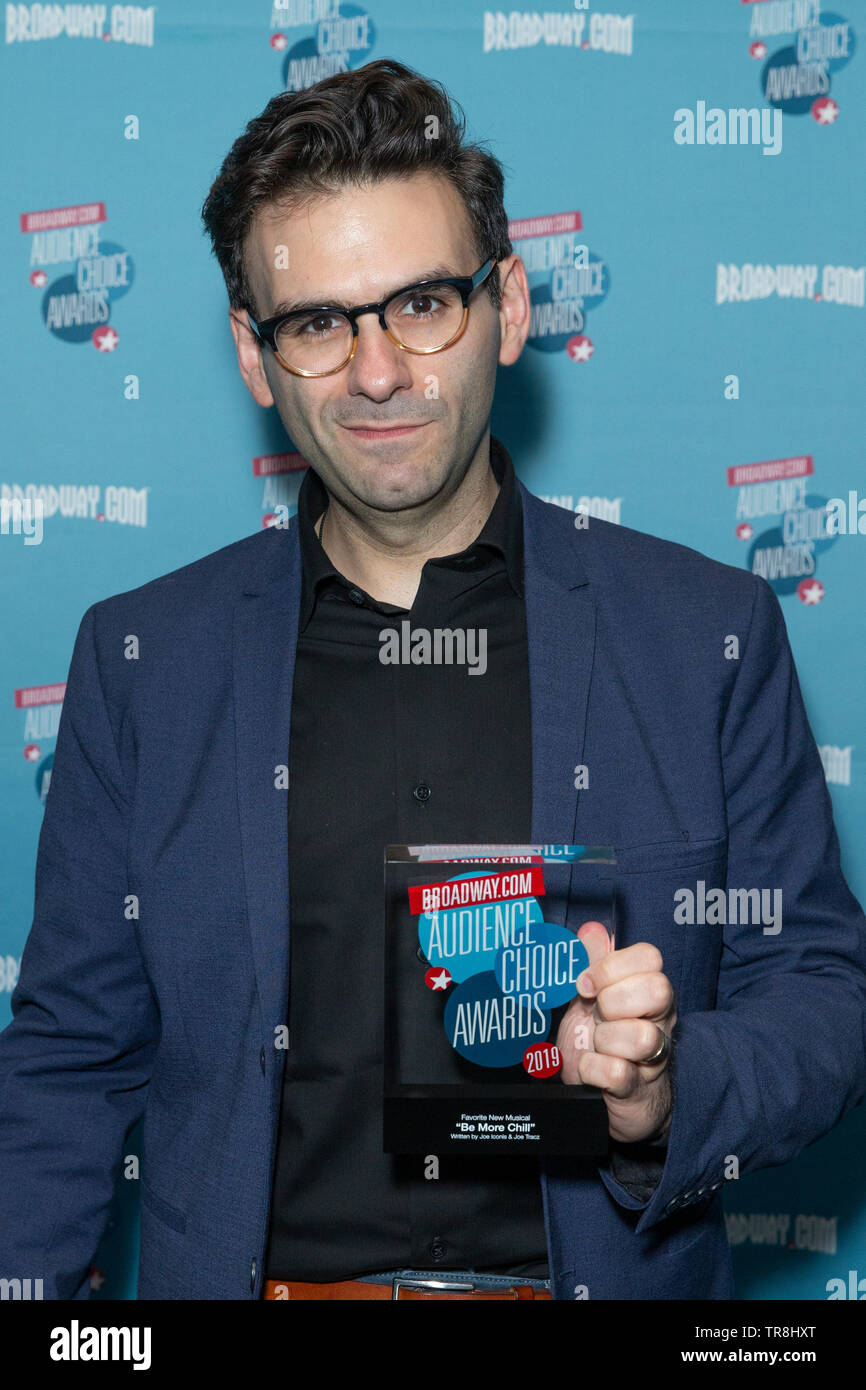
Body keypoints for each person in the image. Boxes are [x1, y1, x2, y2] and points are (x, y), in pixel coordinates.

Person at [1, 58, 864, 1302]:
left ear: (507, 306)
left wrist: (663, 1088)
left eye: (420, 305)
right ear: (255, 358)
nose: (374, 371)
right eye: (317, 323)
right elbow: (69, 1064)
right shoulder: (147, 663)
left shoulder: (702, 634)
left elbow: (821, 997)